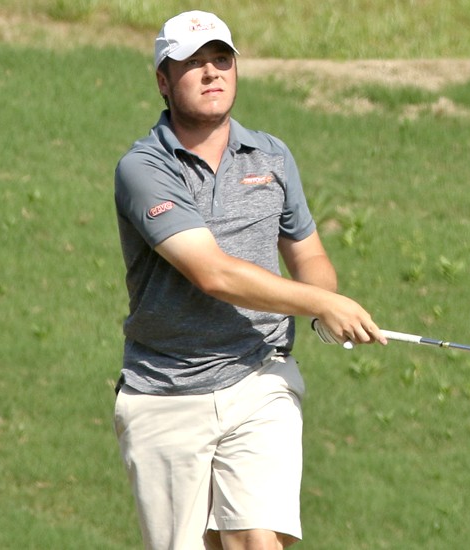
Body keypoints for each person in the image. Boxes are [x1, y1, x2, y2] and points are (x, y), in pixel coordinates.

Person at [112, 10, 386, 549]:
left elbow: (309, 254)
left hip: (260, 378)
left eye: (221, 60)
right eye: (192, 64)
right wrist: (316, 303)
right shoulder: (143, 169)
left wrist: (322, 303)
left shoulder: (272, 156)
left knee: (257, 543)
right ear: (163, 82)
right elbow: (212, 273)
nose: (211, 72)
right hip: (167, 391)